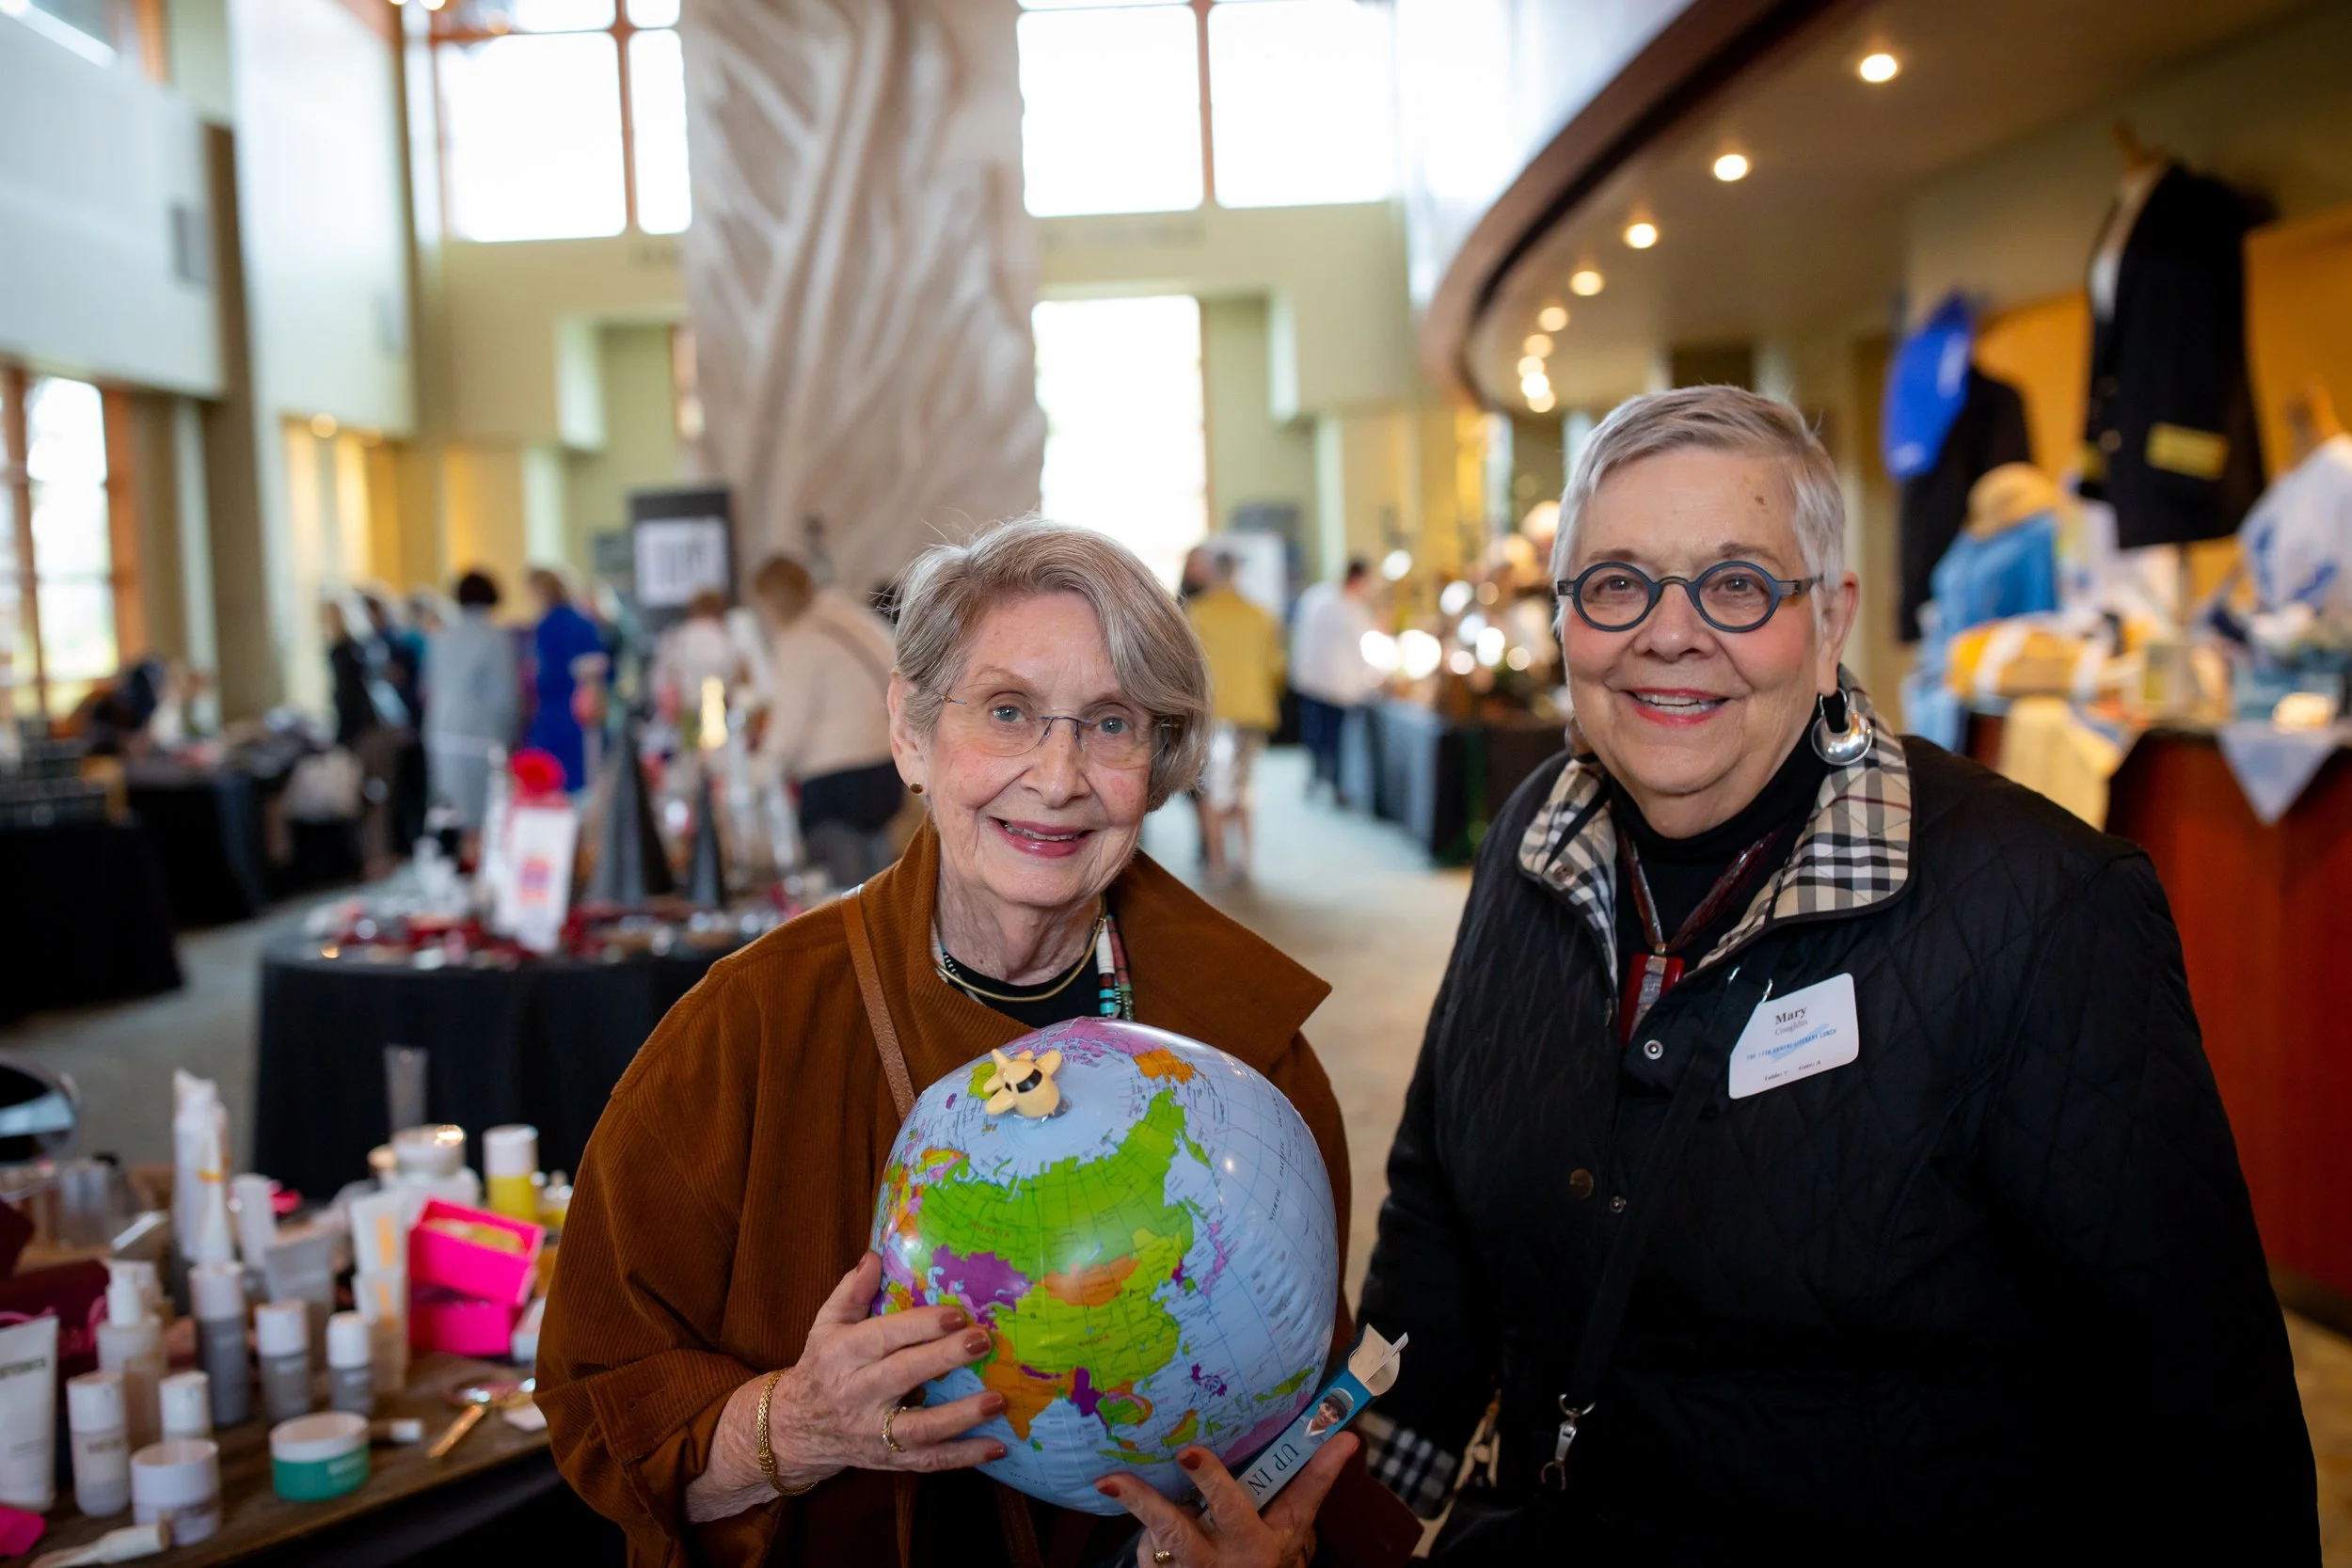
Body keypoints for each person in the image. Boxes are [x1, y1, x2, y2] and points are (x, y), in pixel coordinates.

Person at [1354, 386, 2314, 1561]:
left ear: (1829, 619)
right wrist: (1340, 1512)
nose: (1669, 631)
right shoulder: (1529, 845)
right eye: (1616, 582)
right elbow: (1437, 1223)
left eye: (1737, 584)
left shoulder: (2043, 909)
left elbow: (2203, 1413)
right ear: (1566, 616)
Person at [538, 518, 1362, 1567]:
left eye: (1110, 723)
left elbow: (1301, 1397)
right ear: (911, 733)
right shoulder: (744, 1030)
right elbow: (597, 1403)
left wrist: (1271, 1554)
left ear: (1155, 763)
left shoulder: (1249, 1050)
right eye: (1007, 710)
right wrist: (790, 1425)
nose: (1058, 775)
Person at [748, 555, 905, 888]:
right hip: (886, 768)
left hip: (835, 784)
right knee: (880, 885)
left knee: (844, 898)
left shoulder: (799, 641)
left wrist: (756, 776)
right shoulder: (857, 620)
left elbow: (788, 731)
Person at [1183, 551, 1284, 884]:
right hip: (1252, 711)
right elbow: (1276, 668)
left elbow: (1190, 669)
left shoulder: (1198, 613)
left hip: (1215, 713)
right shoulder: (1260, 615)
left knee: (1214, 790)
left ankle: (1217, 862)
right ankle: (1246, 859)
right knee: (1245, 787)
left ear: (1212, 573)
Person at [422, 569, 522, 839]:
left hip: (443, 735)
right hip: (483, 737)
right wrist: (512, 735)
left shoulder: (440, 636)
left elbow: (429, 689)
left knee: (454, 817)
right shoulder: (495, 637)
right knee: (487, 819)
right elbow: (505, 696)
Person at [1290, 558, 1377, 802]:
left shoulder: (1317, 597)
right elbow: (1361, 649)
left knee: (1316, 732)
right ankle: (1335, 785)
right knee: (1335, 737)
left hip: (1312, 680)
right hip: (1336, 684)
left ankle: (1318, 777)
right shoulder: (1351, 609)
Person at [526, 567, 608, 793]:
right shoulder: (583, 623)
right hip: (576, 717)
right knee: (582, 783)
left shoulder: (548, 626)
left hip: (564, 714)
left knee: (559, 784)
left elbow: (543, 675)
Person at [651, 588, 750, 728]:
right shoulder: (727, 639)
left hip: (686, 716)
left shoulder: (677, 638)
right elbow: (740, 678)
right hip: (720, 713)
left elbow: (660, 682)